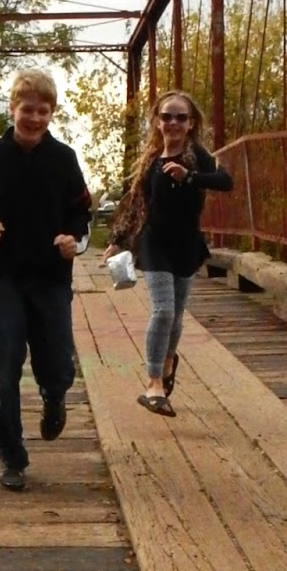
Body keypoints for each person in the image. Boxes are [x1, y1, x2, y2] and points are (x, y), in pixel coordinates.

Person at [0, 70, 93, 491]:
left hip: (50, 276)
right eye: (27, 109)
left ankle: (55, 397)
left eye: (43, 111)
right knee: (1, 370)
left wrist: (74, 240)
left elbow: (82, 211)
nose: (34, 117)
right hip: (3, 276)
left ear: (52, 113)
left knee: (58, 364)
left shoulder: (63, 158)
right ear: (12, 109)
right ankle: (13, 458)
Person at [103, 89, 233, 416]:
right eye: (166, 117)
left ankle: (169, 360)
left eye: (181, 117)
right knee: (163, 311)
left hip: (186, 244)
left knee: (176, 315)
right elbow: (136, 204)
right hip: (155, 243)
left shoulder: (195, 155)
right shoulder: (150, 160)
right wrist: (118, 240)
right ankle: (153, 384)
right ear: (157, 123)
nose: (173, 122)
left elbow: (225, 182)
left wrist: (189, 177)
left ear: (190, 124)